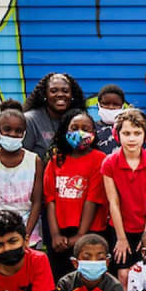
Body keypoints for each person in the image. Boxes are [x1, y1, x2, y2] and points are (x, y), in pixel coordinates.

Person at [43, 110, 108, 279]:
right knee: (60, 278)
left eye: (86, 128)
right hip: (60, 232)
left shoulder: (99, 159)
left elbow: (92, 199)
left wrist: (80, 235)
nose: (80, 133)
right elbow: (50, 200)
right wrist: (55, 235)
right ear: (65, 131)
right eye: (74, 128)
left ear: (94, 133)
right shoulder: (55, 160)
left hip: (90, 230)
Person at [101, 109, 146, 287]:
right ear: (117, 134)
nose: (132, 138)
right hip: (121, 227)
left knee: (145, 273)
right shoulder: (110, 163)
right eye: (126, 133)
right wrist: (121, 238)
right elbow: (114, 202)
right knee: (124, 275)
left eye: (137, 133)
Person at [0, 106, 44, 246]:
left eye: (18, 131)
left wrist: (26, 234)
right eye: (7, 129)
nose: (12, 134)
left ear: (24, 133)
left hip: (29, 232)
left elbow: (37, 201)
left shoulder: (34, 160)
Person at [22, 72, 87, 157]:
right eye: (53, 91)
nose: (60, 95)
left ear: (72, 95)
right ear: (45, 95)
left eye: (65, 91)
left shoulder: (80, 120)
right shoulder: (30, 120)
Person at [91, 83, 127, 156]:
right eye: (106, 103)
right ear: (99, 105)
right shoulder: (91, 129)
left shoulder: (130, 129)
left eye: (116, 104)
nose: (111, 107)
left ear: (122, 106)